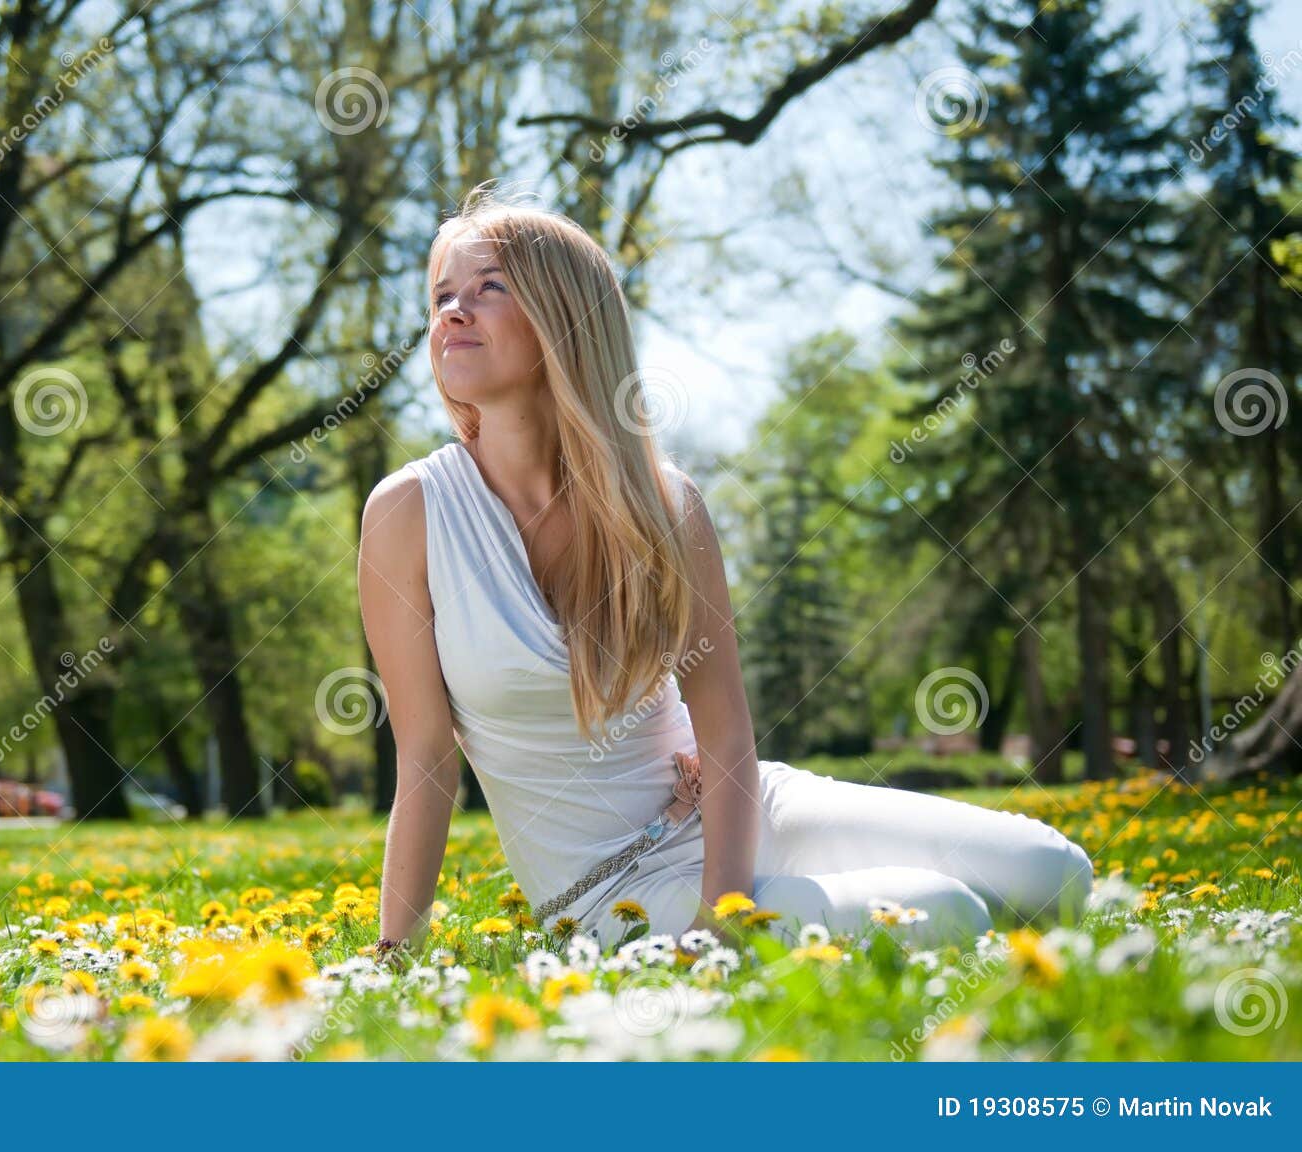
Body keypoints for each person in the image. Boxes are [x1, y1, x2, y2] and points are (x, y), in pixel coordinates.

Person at [357, 184, 1093, 960]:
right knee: (946, 912)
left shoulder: (663, 503)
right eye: (442, 295)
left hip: (739, 810)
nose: (453, 312)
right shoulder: (410, 513)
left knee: (1057, 872)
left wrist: (725, 906)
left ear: (565, 320)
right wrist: (392, 956)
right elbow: (429, 760)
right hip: (608, 890)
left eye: (488, 288)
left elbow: (726, 729)